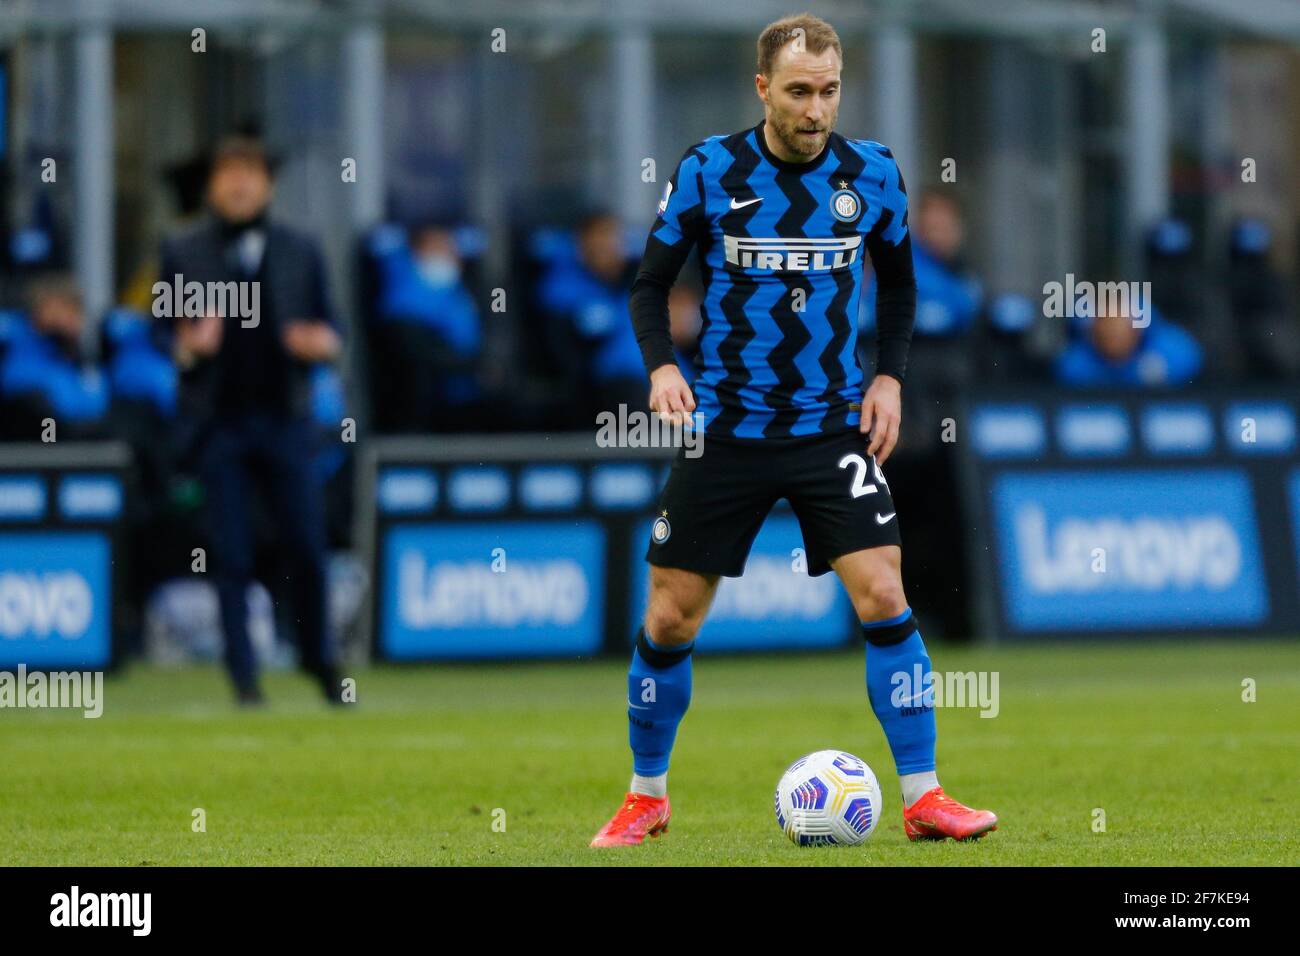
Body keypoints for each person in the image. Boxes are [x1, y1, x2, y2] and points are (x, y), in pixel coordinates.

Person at [591, 13, 997, 847]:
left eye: (831, 91)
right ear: (763, 88)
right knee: (670, 618)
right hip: (728, 427)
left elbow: (900, 291)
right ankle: (647, 796)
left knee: (885, 593)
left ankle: (923, 798)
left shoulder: (873, 173)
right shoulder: (710, 169)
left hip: (829, 427)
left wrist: (887, 378)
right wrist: (664, 367)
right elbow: (647, 287)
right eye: (800, 91)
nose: (817, 110)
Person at [157, 136, 344, 706]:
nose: (239, 185)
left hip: (285, 420)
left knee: (308, 548)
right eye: (228, 174)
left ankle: (321, 664)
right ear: (213, 185)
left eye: (250, 174)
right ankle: (245, 682)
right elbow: (161, 336)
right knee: (231, 556)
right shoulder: (183, 250)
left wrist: (318, 344)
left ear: (267, 183)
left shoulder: (300, 248)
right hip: (219, 424)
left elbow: (333, 333)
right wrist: (191, 346)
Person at [1054, 300, 1202, 388]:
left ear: (1136, 331)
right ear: (1094, 334)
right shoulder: (1076, 365)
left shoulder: (1171, 353)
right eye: (1107, 333)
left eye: (1120, 332)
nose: (1114, 338)